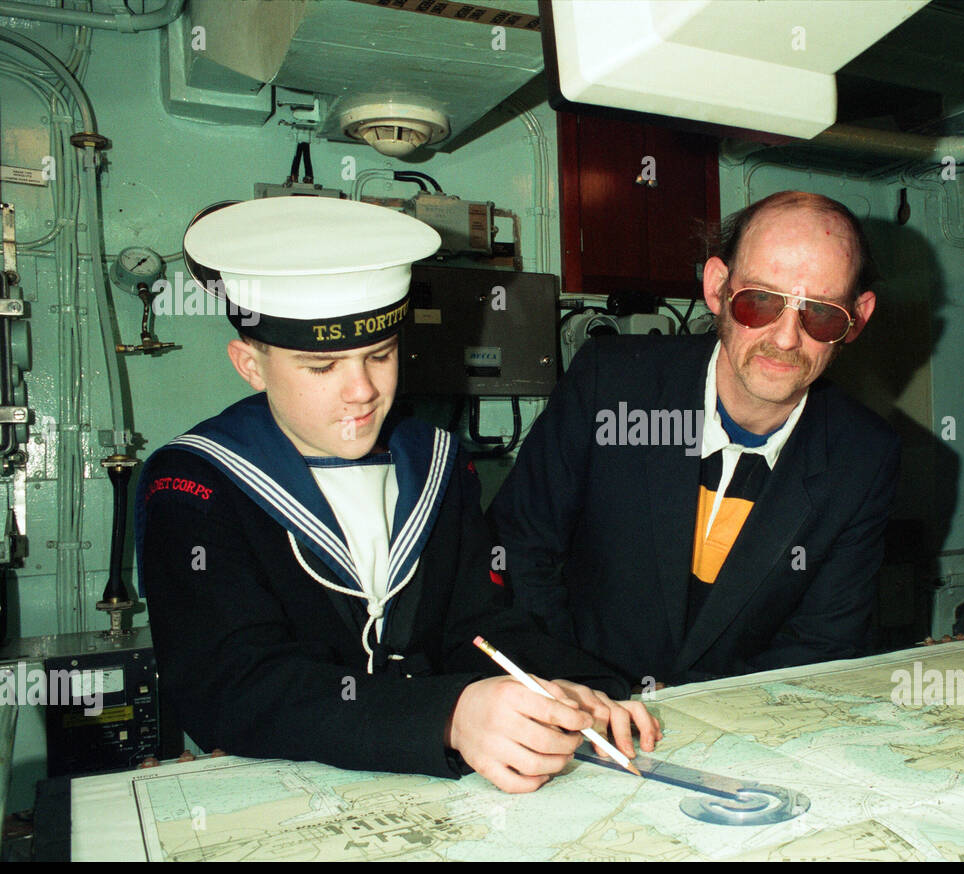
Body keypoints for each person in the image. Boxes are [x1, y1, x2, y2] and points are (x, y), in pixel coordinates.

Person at [137, 196, 658, 794]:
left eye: (379, 355)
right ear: (250, 365)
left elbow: (480, 628)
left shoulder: (437, 462)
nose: (362, 390)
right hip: (281, 786)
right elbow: (233, 685)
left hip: (432, 786)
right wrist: (448, 716)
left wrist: (566, 684)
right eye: (321, 366)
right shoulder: (196, 483)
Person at [489, 191, 901, 687]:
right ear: (717, 288)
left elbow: (822, 645)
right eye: (760, 302)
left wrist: (693, 708)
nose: (787, 338)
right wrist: (587, 692)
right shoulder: (611, 385)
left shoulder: (864, 457)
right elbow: (519, 552)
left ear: (858, 317)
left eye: (822, 314)